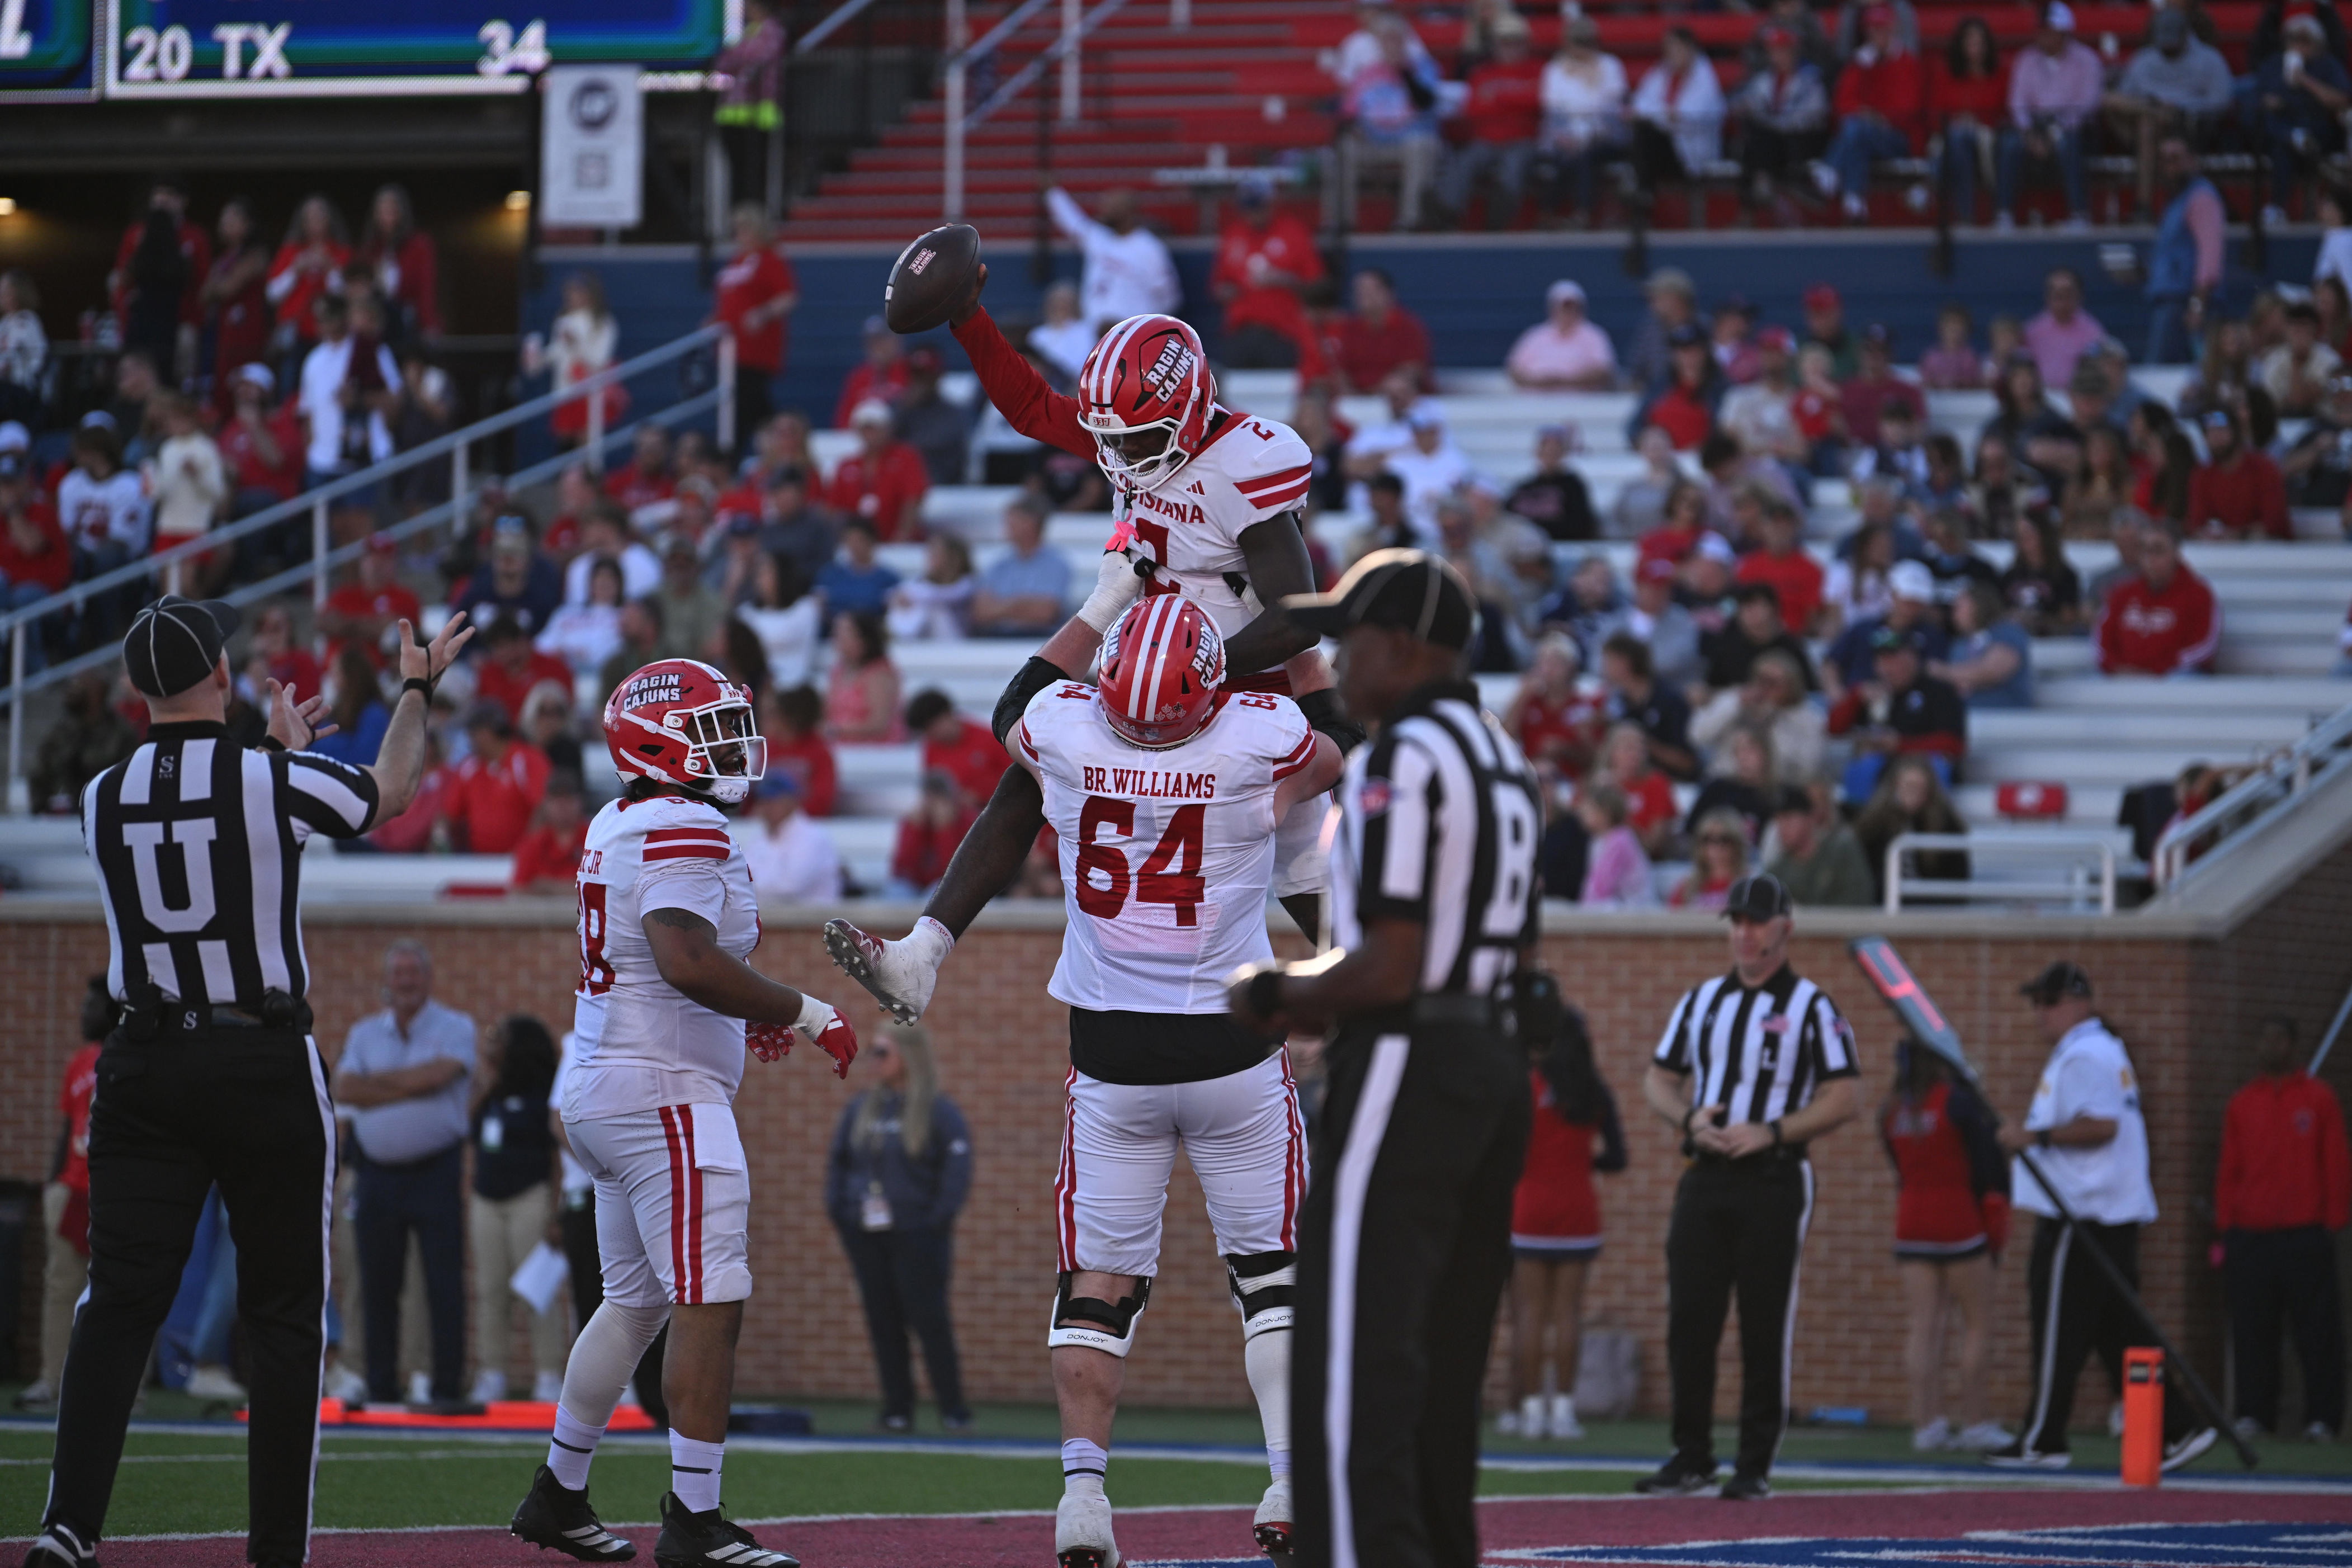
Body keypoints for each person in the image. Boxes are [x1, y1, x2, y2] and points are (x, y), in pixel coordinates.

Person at [25, 596, 469, 1568]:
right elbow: (388, 790)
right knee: (282, 1313)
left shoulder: (104, 793)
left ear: (141, 692)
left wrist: (271, 761)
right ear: (223, 675)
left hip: (143, 1061)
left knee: (119, 1299)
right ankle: (275, 1549)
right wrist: (415, 686)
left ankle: (67, 1524)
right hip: (260, 1054)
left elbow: (199, 824)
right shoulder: (268, 780)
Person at [817, 265, 1346, 1009]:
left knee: (1301, 856)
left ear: (1192, 412)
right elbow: (1033, 409)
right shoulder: (1134, 432)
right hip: (1148, 662)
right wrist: (969, 318)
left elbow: (1299, 615)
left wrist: (1199, 670)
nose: (1122, 458)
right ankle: (921, 953)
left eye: (1138, 441)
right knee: (1033, 767)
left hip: (1233, 678)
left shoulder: (1244, 467)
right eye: (1113, 440)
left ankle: (1381, 997)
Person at [1221, 550, 1541, 1568]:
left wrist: (1278, 992)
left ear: (1405, 648)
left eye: (1350, 637)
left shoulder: (1405, 754)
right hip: (1490, 1056)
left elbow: (1396, 962)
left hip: (1410, 1057)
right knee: (1443, 1373)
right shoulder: (1501, 753)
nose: (1336, 658)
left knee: (1352, 1358)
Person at [510, 657, 857, 1568]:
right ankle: (695, 1519)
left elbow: (672, 963)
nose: (734, 744)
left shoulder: (622, 815)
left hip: (609, 1085)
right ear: (659, 740)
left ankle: (558, 1491)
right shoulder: (682, 819)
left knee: (634, 1300)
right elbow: (684, 958)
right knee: (712, 1296)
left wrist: (746, 1011)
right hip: (659, 1094)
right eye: (711, 727)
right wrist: (805, 1011)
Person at [1636, 874, 1860, 1500]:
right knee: (1690, 1318)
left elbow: (1846, 1095)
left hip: (1775, 1176)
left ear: (1785, 927)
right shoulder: (1703, 999)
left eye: (1756, 921)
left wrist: (1774, 1129)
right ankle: (1692, 1454)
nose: (1744, 932)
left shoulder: (1813, 1005)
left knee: (1764, 1321)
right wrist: (1688, 1118)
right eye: (1736, 921)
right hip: (1705, 1176)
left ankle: (1753, 1462)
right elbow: (1657, 1078)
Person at [1986, 962, 2218, 1472]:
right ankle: (2175, 1427)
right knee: (2120, 1333)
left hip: (2081, 1212)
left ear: (2076, 1002)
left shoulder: (2086, 1054)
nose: (2040, 1014)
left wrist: (2035, 1138)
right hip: (2105, 1211)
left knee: (2058, 1329)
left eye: (2048, 1003)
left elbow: (2102, 1126)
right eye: (2037, 1003)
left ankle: (2043, 1437)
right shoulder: (2093, 1050)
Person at [338, 942, 481, 1412]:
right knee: (378, 1283)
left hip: (435, 1171)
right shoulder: (363, 1033)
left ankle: (445, 1388)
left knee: (443, 1283)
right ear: (388, 980)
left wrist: (376, 1087)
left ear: (428, 978)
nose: (405, 981)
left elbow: (440, 1078)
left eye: (413, 973)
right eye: (398, 973)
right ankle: (380, 1386)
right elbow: (344, 1088)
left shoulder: (456, 1026)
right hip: (376, 1174)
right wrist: (410, 1082)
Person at [825, 1025, 975, 1434]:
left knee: (929, 1320)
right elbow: (839, 1164)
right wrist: (841, 1212)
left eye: (882, 1052)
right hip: (867, 1234)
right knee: (882, 1320)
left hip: (918, 1235)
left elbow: (956, 1173)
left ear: (908, 1056)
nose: (874, 1060)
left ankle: (953, 1409)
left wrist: (933, 1221)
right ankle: (897, 1409)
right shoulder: (862, 1109)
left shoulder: (939, 1112)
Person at [2213, 1013, 2349, 1441]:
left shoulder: (2318, 1099)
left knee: (2317, 1332)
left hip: (2305, 1234)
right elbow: (2229, 1170)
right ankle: (2254, 1414)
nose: (2271, 1047)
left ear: (2292, 1046)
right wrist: (2225, 1229)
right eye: (2264, 1040)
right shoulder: (2242, 1103)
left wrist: (2333, 1222)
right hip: (2251, 1237)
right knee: (2254, 1331)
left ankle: (2323, 1419)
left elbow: (2336, 1162)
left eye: (2279, 1040)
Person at [1883, 1040, 2013, 1453]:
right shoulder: (1957, 1101)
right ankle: (1975, 1422)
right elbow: (1987, 1160)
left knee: (1924, 1326)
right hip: (1957, 1218)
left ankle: (1927, 1425)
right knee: (1976, 1322)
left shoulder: (1891, 1110)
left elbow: (1896, 1163)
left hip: (1912, 1219)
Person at [1503, 1004, 1625, 1441]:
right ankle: (1565, 1412)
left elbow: (1505, 1151)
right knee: (1569, 1313)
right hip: (1578, 1212)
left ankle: (1531, 1412)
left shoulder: (1526, 1086)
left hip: (1530, 1210)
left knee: (1529, 1315)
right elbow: (1617, 1156)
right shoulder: (1593, 1092)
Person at [18, 981, 109, 1414]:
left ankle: (128, 1392)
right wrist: (53, 1183)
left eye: (91, 1004)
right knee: (60, 1288)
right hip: (73, 1189)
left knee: (126, 1293)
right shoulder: (79, 1063)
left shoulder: (136, 1057)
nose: (82, 1013)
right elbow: (67, 1129)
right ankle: (50, 1379)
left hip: (117, 1195)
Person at [467, 1016, 568, 1406]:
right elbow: (469, 1128)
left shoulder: (544, 1092)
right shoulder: (492, 1090)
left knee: (537, 1291)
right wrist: (488, 1082)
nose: (492, 1043)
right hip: (486, 1199)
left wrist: (554, 1212)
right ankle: (492, 1373)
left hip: (530, 1198)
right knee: (491, 1290)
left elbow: (556, 1156)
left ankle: (548, 1375)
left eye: (500, 1038)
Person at [2103, 8, 2233, 219]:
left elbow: (2221, 101)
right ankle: (2153, 112)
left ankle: (2144, 206)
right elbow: (2120, 98)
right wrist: (2155, 108)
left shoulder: (2209, 60)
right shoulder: (2145, 60)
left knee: (2148, 126)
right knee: (2128, 110)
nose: (2168, 46)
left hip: (2192, 127)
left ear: (2185, 35)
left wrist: (2180, 107)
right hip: (2146, 123)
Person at [1997, 2, 2102, 230]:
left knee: (2068, 143)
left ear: (2065, 33)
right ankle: (2004, 215)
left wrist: (2055, 133)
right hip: (2035, 125)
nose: (2044, 37)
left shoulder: (2087, 60)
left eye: (2050, 31)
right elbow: (2017, 105)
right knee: (2009, 144)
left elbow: (2087, 106)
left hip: (2074, 127)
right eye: (2041, 31)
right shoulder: (2026, 59)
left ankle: (2079, 214)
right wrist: (2029, 134)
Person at [1820, 4, 1928, 223]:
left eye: (1883, 29)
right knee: (1857, 130)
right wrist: (1866, 114)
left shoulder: (1907, 62)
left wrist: (1877, 117)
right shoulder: (1860, 62)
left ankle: (1832, 167)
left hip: (1900, 139)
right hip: (1866, 135)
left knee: (1857, 129)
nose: (1879, 35)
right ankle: (1854, 202)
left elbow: (1908, 110)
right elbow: (1842, 104)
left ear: (1893, 30)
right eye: (1874, 30)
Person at [711, 204, 798, 455]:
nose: (738, 234)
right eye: (736, 229)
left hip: (755, 348)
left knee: (748, 405)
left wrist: (763, 314)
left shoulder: (771, 259)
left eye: (744, 228)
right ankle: (775, 447)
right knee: (744, 406)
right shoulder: (736, 260)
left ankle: (736, 456)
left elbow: (788, 296)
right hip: (731, 349)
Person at [1211, 184, 1325, 370]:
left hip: (1282, 331)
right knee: (1234, 392)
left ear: (1270, 204)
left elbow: (1318, 286)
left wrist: (1285, 279)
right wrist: (1228, 291)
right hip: (1241, 331)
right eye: (1248, 208)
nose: (1253, 213)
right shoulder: (1233, 235)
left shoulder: (1293, 232)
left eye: (1258, 206)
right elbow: (1218, 286)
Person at [2255, 11, 2350, 227]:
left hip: (2317, 130)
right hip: (2279, 129)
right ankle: (2278, 209)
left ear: (2317, 44)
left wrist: (2304, 80)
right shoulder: (2274, 64)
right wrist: (2270, 101)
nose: (2297, 45)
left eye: (2304, 41)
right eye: (2292, 39)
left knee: (2291, 146)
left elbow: (2341, 100)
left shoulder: (2327, 65)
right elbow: (2258, 97)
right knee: (2278, 138)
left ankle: (2279, 207)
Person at [1046, 185, 1182, 336]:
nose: (1104, 211)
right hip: (1094, 332)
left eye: (1112, 207)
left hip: (1132, 336)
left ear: (1129, 211)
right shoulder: (1097, 238)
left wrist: (1144, 328)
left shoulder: (1150, 248)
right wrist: (1052, 191)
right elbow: (1071, 220)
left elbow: (1169, 298)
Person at [1536, 12, 1630, 228]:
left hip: (1604, 134)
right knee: (1572, 155)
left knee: (1584, 153)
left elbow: (1612, 108)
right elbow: (1553, 111)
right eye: (1579, 42)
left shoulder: (1610, 65)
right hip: (1565, 136)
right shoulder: (1555, 69)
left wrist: (1586, 135)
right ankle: (1575, 213)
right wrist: (1568, 137)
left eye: (1588, 42)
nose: (1584, 47)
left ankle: (1558, 212)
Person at [1734, 22, 1831, 221]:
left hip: (1802, 142)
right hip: (1772, 143)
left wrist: (1771, 122)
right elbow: (1741, 102)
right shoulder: (1764, 80)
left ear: (1793, 52)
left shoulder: (1810, 80)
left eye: (1782, 51)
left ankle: (1761, 194)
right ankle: (1764, 190)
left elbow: (1809, 116)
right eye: (1774, 51)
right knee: (1754, 139)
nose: (1777, 56)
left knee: (1762, 139)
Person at [2095, 521, 2219, 675]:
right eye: (2144, 550)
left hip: (2174, 678)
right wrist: (2117, 668)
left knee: (2185, 678)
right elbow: (2101, 642)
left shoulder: (2198, 594)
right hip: (2124, 676)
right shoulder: (2122, 593)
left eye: (2158, 550)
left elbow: (2204, 647)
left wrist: (2156, 671)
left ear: (2176, 553)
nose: (2150, 558)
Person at [2145, 137, 2227, 365]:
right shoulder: (2177, 201)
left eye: (2176, 159)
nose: (2169, 166)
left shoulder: (2202, 198)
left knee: (2161, 374)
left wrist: (2197, 307)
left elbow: (2210, 257)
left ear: (2192, 161)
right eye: (2164, 160)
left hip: (2186, 306)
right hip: (2171, 304)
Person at [1627, 27, 1726, 216]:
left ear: (1690, 49)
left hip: (1691, 154)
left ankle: (1641, 192)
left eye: (1676, 48)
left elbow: (1688, 116)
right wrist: (1663, 114)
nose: (1671, 54)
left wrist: (1659, 114)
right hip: (1662, 149)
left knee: (1647, 134)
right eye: (1668, 48)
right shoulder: (1661, 72)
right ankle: (1642, 194)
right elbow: (1639, 105)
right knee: (1644, 133)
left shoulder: (1706, 79)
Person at [444, 701, 552, 856]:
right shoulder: (469, 767)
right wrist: (440, 836)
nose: (471, 740)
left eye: (474, 733)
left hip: (521, 859)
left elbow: (543, 811)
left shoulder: (526, 760)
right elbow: (449, 815)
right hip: (477, 860)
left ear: (488, 733)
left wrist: (526, 853)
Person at [1931, 18, 2008, 224]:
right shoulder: (1947, 75)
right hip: (1954, 139)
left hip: (1987, 138)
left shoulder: (1999, 75)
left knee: (1959, 139)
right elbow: (1937, 114)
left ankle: (1930, 185)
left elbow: (2004, 114)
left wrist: (1976, 122)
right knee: (1958, 140)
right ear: (1961, 45)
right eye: (1970, 41)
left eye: (1979, 42)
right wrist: (1960, 121)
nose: (1975, 47)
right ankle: (1966, 217)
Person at [826, 399, 929, 541]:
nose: (870, 434)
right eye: (866, 428)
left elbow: (913, 498)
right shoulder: (847, 466)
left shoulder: (906, 458)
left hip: (898, 540)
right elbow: (835, 510)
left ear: (888, 429)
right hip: (858, 546)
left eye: (875, 428)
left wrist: (902, 535)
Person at [968, 495, 1071, 637]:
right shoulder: (999, 566)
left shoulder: (1056, 564)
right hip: (998, 639)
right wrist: (1022, 605)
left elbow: (1046, 613)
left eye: (1013, 521)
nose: (1007, 526)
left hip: (1039, 641)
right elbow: (980, 612)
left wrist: (1001, 607)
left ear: (1031, 523)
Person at [1761, 784, 1876, 907]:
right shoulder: (1776, 873)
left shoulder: (1841, 851)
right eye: (1778, 821)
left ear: (1810, 818)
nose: (1782, 828)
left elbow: (1862, 897)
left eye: (1788, 819)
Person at [740, 771, 840, 902]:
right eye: (763, 801)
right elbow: (742, 880)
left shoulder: (812, 836)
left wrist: (752, 882)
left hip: (814, 919)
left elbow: (789, 887)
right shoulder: (759, 838)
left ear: (792, 801)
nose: (767, 807)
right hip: (773, 918)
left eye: (774, 800)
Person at [1934, 580, 2035, 709]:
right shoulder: (1959, 645)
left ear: (1978, 605)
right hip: (1966, 721)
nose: (1954, 614)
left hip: (2007, 719)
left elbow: (1992, 671)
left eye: (1960, 607)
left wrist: (1941, 672)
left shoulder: (2008, 631)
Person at [1331, 268, 1434, 394]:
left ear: (1389, 293)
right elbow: (1340, 369)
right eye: (1359, 291)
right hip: (1358, 399)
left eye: (1370, 291)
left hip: (1397, 400)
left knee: (1398, 385)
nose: (1363, 296)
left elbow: (1412, 370)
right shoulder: (1349, 328)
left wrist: (1376, 394)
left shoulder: (1408, 327)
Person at [1507, 281, 1616, 391]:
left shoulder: (1594, 335)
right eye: (1563, 307)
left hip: (1581, 404)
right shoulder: (1535, 335)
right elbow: (1514, 371)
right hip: (1535, 403)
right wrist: (1539, 382)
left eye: (1572, 307)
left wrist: (1564, 381)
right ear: (1553, 308)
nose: (1567, 312)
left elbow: (1604, 372)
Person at [1506, 425, 1599, 540]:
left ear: (1563, 454)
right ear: (1538, 453)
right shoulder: (1524, 487)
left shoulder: (1574, 487)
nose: (1550, 456)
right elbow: (1507, 517)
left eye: (1555, 452)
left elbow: (1580, 525)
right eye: (1546, 451)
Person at [2022, 267, 2107, 393]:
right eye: (2058, 297)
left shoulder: (2094, 332)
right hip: (2041, 400)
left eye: (2068, 296)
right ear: (2048, 298)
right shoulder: (2032, 331)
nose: (2063, 303)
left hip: (2080, 398)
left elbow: (2100, 371)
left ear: (2079, 297)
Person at [824, 610, 901, 743]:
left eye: (844, 633)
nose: (837, 638)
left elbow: (879, 724)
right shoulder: (837, 671)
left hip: (875, 750)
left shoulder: (879, 673)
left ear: (864, 639)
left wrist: (838, 730)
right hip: (841, 747)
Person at [1576, 782, 1657, 906]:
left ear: (1604, 813)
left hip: (1636, 906)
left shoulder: (1620, 840)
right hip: (1619, 903)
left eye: (1589, 811)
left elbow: (1602, 885)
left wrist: (1583, 910)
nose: (1583, 814)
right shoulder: (1597, 840)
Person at [512, 771, 591, 895]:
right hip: (540, 914)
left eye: (568, 798)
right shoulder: (533, 844)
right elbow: (516, 892)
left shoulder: (595, 839)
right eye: (556, 799)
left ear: (580, 802)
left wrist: (550, 888)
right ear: (546, 804)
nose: (562, 805)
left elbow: (604, 889)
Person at [815, 517, 900, 618]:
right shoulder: (830, 575)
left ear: (872, 541)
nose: (854, 546)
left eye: (859, 540)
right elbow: (818, 605)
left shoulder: (888, 579)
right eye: (849, 540)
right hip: (833, 629)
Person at [1672, 811, 1754, 910]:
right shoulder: (1687, 888)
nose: (1716, 847)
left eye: (1724, 839)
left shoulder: (1751, 885)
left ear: (1737, 844)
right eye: (1708, 839)